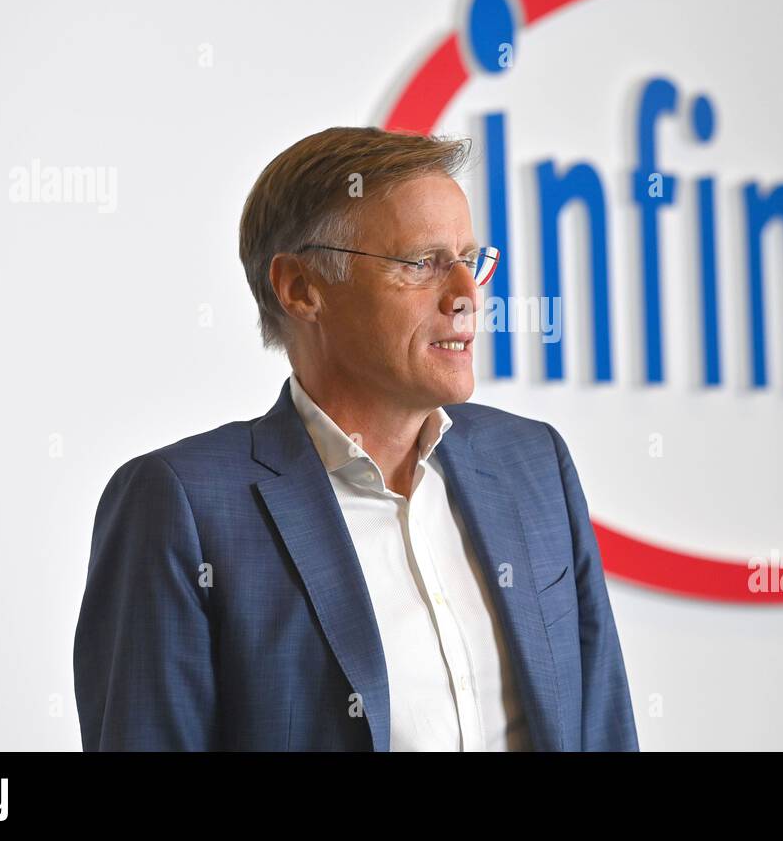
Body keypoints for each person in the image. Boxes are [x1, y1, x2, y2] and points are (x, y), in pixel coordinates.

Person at [73, 125, 638, 751]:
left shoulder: (535, 464)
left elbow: (604, 728)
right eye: (422, 263)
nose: (466, 296)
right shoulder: (183, 503)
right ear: (301, 288)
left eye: (471, 261)